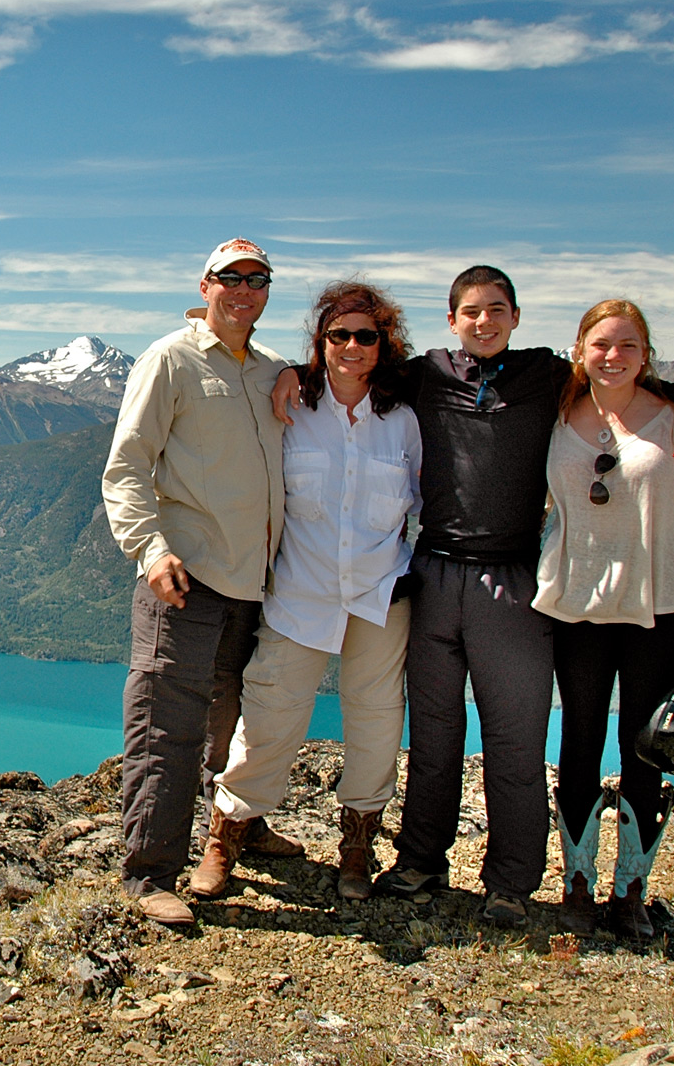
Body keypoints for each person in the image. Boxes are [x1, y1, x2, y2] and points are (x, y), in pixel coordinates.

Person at [270, 265, 674, 929]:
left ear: (515, 317)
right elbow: (347, 368)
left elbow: (615, 377)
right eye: (470, 312)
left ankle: (511, 880)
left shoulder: (545, 376)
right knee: (435, 734)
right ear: (451, 320)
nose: (484, 322)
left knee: (515, 739)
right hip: (432, 573)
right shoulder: (422, 374)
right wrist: (290, 374)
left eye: (496, 310)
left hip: (512, 581)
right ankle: (421, 861)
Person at [193, 281, 421, 903]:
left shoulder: (404, 421)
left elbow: (431, 500)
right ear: (320, 343)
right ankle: (226, 835)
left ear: (385, 343)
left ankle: (356, 845)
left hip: (380, 594)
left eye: (366, 336)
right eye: (338, 335)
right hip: (301, 590)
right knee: (270, 715)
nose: (352, 346)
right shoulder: (288, 406)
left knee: (375, 722)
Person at [101, 237, 298, 926]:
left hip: (256, 577)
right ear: (206, 284)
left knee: (240, 719)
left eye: (259, 279)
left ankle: (241, 826)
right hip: (184, 575)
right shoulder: (170, 360)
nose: (245, 290)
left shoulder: (272, 369)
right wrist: (149, 550)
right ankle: (150, 872)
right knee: (166, 723)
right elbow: (126, 468)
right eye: (231, 278)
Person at [533, 299, 674, 938]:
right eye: (600, 345)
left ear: (647, 356)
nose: (612, 357)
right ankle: (579, 886)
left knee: (647, 749)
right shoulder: (557, 415)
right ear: (579, 349)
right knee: (579, 742)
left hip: (656, 613)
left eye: (627, 346)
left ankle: (631, 892)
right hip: (577, 609)